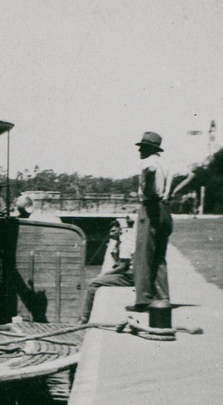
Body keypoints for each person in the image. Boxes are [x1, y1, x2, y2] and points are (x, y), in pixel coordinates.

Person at [128, 131, 189, 313]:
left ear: (148, 148)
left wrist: (150, 190)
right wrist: (172, 193)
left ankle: (143, 300)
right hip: (164, 208)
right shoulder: (168, 163)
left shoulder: (149, 162)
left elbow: (151, 172)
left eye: (141, 148)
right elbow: (190, 175)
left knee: (143, 256)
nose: (139, 151)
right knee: (159, 256)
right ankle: (162, 298)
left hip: (151, 207)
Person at [81, 217, 135, 322]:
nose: (111, 233)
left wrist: (105, 274)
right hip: (130, 275)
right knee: (95, 282)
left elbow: (123, 266)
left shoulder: (124, 244)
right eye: (110, 231)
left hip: (129, 277)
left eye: (114, 231)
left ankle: (84, 317)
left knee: (92, 283)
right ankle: (85, 316)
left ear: (121, 230)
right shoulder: (123, 242)